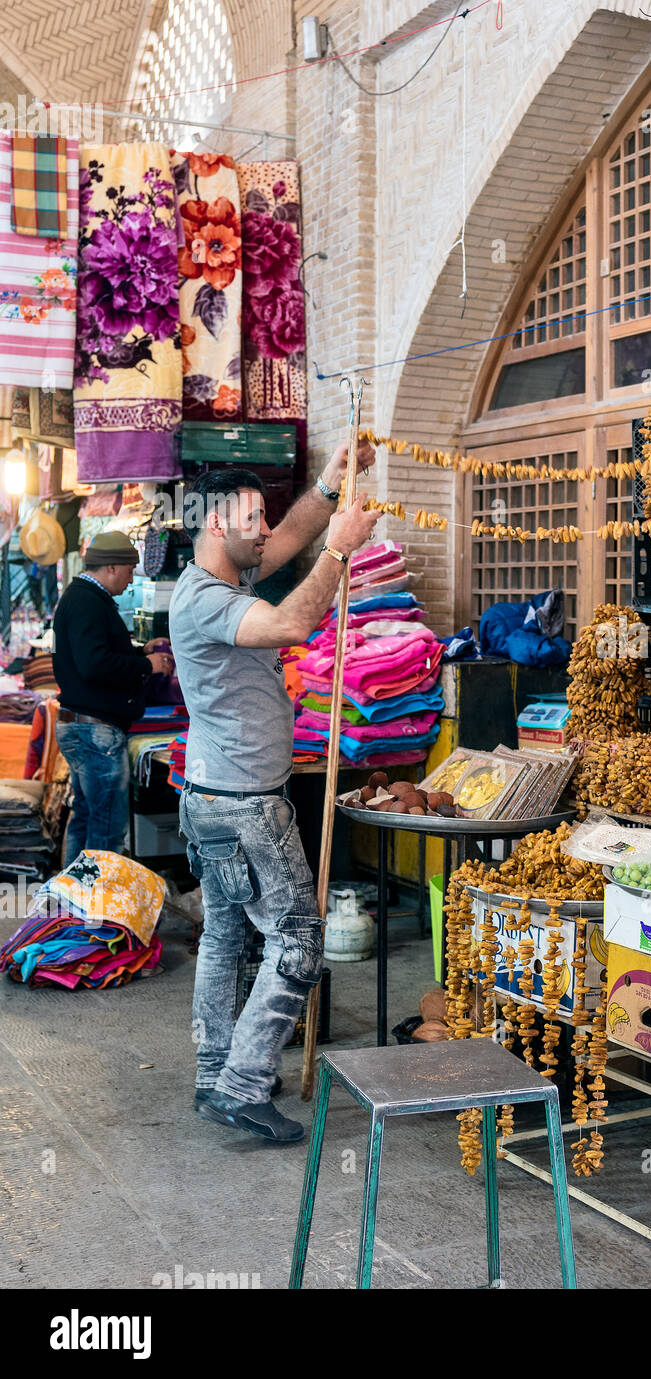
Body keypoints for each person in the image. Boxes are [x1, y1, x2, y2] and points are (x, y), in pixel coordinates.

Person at [171, 442, 378, 1144]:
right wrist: (342, 552)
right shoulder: (205, 601)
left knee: (227, 936)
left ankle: (215, 1071)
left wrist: (329, 482)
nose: (265, 529)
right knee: (297, 941)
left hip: (216, 796)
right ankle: (243, 1083)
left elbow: (290, 536)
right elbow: (292, 624)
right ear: (213, 524)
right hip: (243, 805)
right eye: (251, 518)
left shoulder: (226, 573)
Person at [52, 531, 173, 863]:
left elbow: (92, 655)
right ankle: (96, 911)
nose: (131, 578)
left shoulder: (81, 599)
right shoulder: (87, 602)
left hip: (82, 725)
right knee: (106, 829)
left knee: (87, 820)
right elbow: (94, 665)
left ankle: (73, 905)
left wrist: (138, 650)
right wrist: (144, 665)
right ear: (112, 567)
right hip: (95, 730)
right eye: (130, 570)